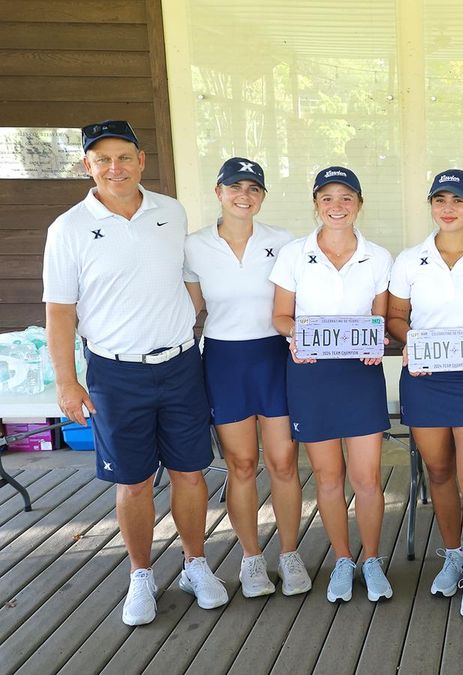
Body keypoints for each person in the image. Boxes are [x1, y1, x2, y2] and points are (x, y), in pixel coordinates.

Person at [43, 120, 228, 626]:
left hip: (180, 364)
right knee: (134, 481)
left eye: (123, 157)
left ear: (141, 160)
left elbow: (185, 277)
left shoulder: (170, 211)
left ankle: (195, 564)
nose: (114, 167)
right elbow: (60, 312)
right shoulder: (68, 229)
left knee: (191, 471)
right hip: (114, 372)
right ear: (87, 166)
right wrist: (66, 381)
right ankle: (141, 575)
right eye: (101, 159)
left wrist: (196, 319)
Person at [386, 169, 463, 617]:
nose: (449, 207)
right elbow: (395, 316)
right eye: (440, 199)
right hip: (424, 380)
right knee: (439, 473)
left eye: (458, 200)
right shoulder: (408, 260)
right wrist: (412, 339)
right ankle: (454, 553)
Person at [183, 157, 311, 598]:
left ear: (262, 197)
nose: (244, 195)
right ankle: (252, 559)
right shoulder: (193, 246)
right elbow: (191, 311)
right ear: (218, 192)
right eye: (235, 187)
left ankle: (290, 555)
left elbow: (298, 303)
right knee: (240, 465)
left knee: (283, 462)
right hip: (224, 361)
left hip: (274, 357)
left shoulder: (284, 242)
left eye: (253, 188)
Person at [269, 166, 393, 604]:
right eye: (327, 198)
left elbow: (380, 317)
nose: (336, 207)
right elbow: (281, 315)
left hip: (359, 374)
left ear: (359, 203)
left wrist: (377, 339)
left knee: (367, 477)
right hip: (310, 374)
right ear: (316, 204)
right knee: (327, 475)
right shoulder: (293, 253)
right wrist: (294, 336)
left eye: (345, 198)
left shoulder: (379, 257)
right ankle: (343, 559)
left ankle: (372, 559)